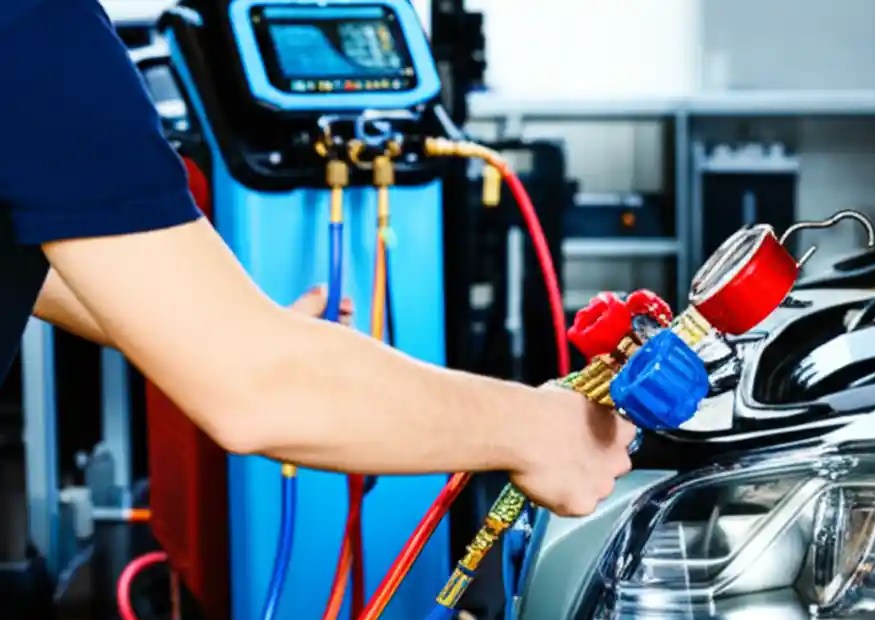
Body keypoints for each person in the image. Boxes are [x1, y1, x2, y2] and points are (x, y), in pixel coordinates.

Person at [0, 0, 634, 517]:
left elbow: (27, 262)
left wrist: (208, 330)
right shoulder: (39, 28)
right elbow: (256, 389)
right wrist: (542, 432)